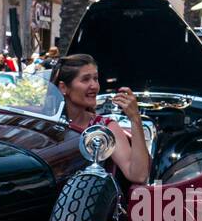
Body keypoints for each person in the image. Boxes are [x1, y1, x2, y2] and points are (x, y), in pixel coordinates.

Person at [50, 54, 150, 185]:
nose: (94, 86)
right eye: (85, 79)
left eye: (95, 79)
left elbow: (138, 175)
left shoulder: (105, 128)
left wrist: (135, 118)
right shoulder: (43, 123)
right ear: (63, 87)